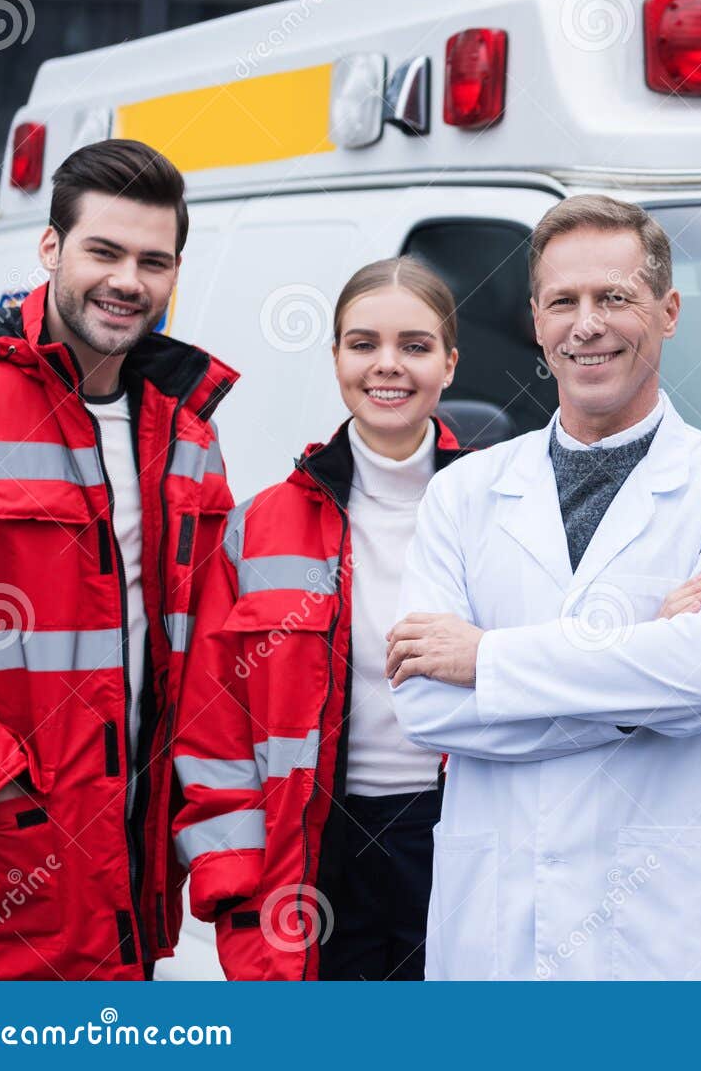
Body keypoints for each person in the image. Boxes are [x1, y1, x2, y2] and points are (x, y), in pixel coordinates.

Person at [385, 195, 701, 980]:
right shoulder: (463, 494)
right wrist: (642, 705)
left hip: (662, 941)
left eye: (615, 298)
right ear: (535, 320)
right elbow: (423, 705)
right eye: (563, 301)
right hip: (497, 934)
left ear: (667, 312)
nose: (587, 323)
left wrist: (487, 660)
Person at [0, 139, 237, 979]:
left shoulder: (188, 430)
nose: (127, 281)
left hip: (131, 891)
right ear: (51, 249)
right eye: (103, 251)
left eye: (153, 261)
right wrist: (2, 792)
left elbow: (206, 652)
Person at [171, 257, 470, 980]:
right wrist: (236, 888)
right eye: (363, 344)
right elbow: (212, 726)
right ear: (335, 357)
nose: (387, 366)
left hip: (464, 841)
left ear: (450, 364)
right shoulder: (261, 527)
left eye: (416, 346)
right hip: (313, 852)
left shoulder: (503, 507)